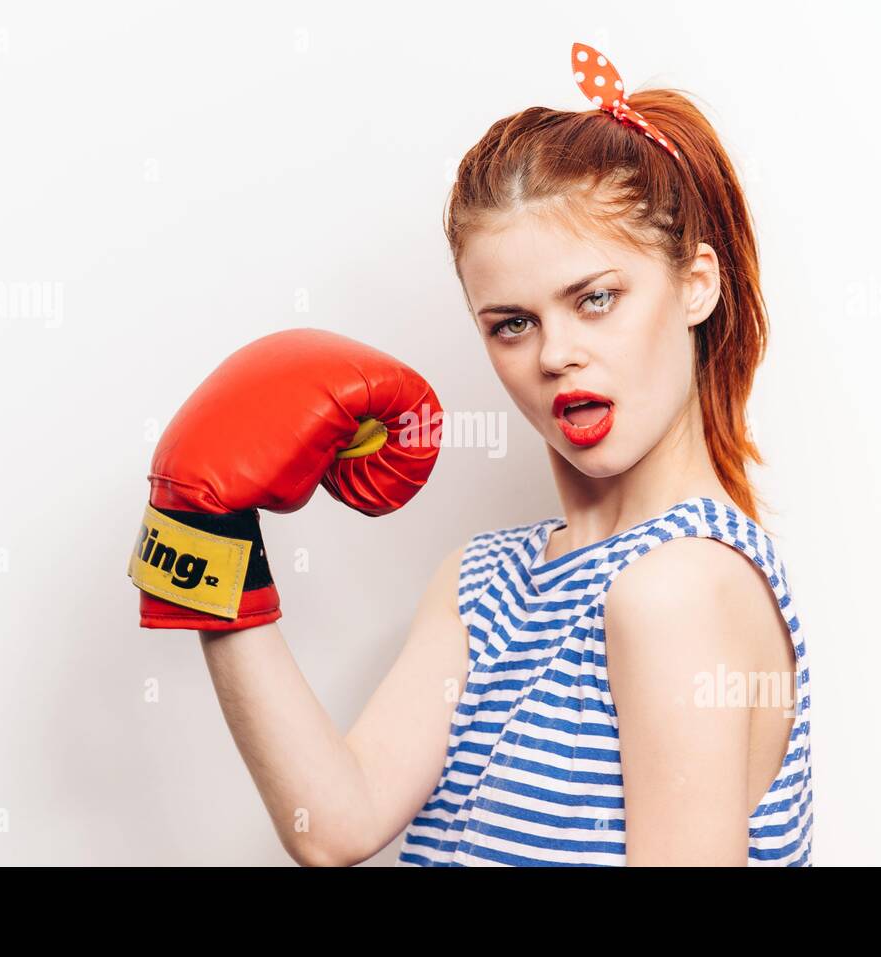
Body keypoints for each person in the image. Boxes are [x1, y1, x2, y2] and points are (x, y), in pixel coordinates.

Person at [194, 43, 813, 866]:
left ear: (697, 283)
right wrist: (205, 536)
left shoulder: (679, 588)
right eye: (512, 323)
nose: (556, 354)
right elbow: (337, 822)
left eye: (596, 298)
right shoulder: (482, 581)